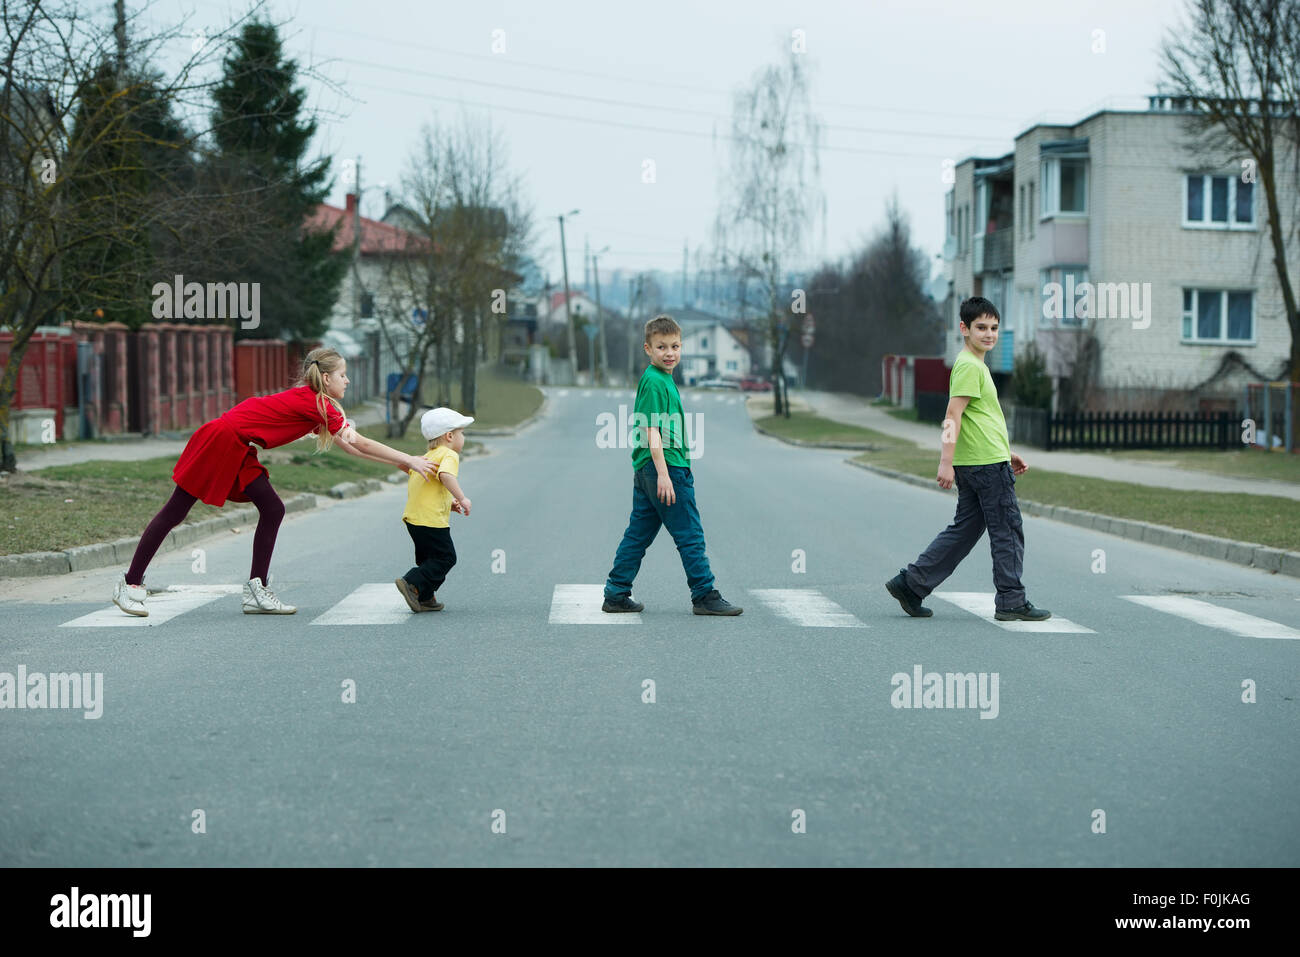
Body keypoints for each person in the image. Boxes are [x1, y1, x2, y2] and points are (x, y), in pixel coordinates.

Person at [112, 348, 435, 617]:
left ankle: (256, 589)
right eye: (342, 375)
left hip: (238, 445)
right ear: (326, 378)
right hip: (222, 440)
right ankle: (130, 583)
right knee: (176, 512)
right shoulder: (319, 403)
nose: (347, 380)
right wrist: (409, 460)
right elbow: (360, 442)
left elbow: (351, 446)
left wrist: (400, 464)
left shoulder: (315, 403)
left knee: (272, 509)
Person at [885, 296, 1051, 622]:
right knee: (1007, 530)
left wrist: (1006, 452)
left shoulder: (976, 365)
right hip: (984, 467)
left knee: (965, 530)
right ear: (964, 329)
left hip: (983, 460)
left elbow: (980, 419)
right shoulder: (968, 366)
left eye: (993, 328)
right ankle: (1011, 600)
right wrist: (945, 461)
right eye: (980, 328)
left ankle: (912, 584)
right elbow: (952, 415)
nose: (988, 334)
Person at [602, 314, 742, 616]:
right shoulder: (655, 382)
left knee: (637, 535)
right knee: (690, 534)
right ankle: (704, 594)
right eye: (662, 346)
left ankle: (615, 594)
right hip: (664, 470)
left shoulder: (661, 378)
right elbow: (651, 431)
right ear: (647, 349)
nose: (669, 353)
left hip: (648, 471)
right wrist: (664, 474)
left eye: (675, 346)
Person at [393, 407, 473, 613]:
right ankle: (411, 583)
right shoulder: (449, 455)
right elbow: (446, 476)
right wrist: (461, 498)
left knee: (429, 561)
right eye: (461, 433)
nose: (463, 438)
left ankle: (426, 596)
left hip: (413, 520)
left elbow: (428, 486)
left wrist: (450, 505)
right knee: (446, 558)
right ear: (449, 436)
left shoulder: (425, 457)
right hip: (431, 521)